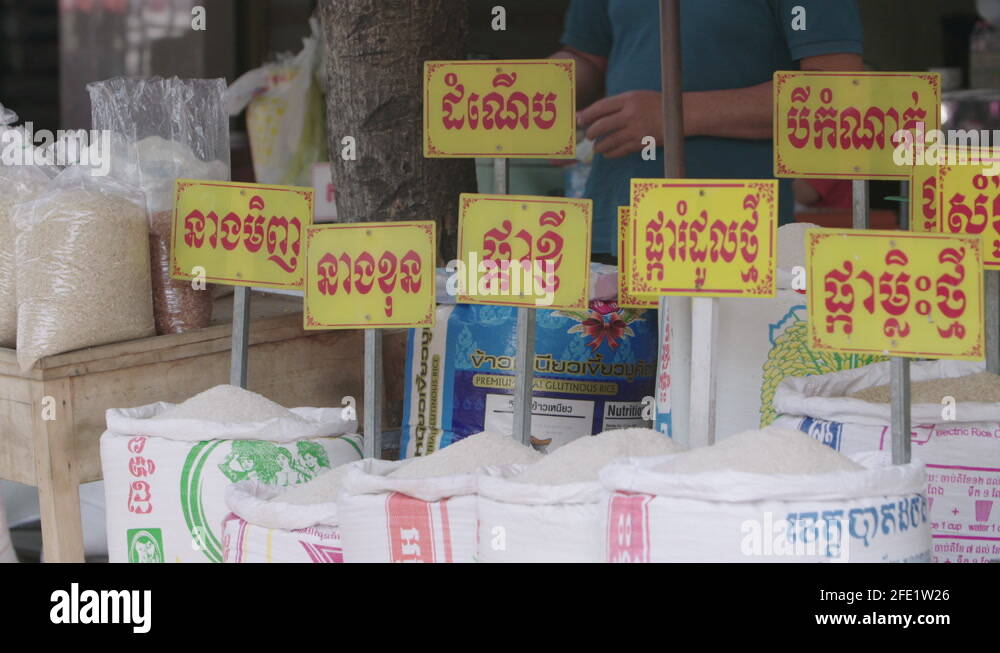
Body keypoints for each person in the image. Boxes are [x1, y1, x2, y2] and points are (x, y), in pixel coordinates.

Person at [552, 0, 865, 257]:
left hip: (731, 235)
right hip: (614, 222)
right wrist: (532, 94)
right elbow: (587, 58)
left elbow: (835, 95)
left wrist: (674, 115)